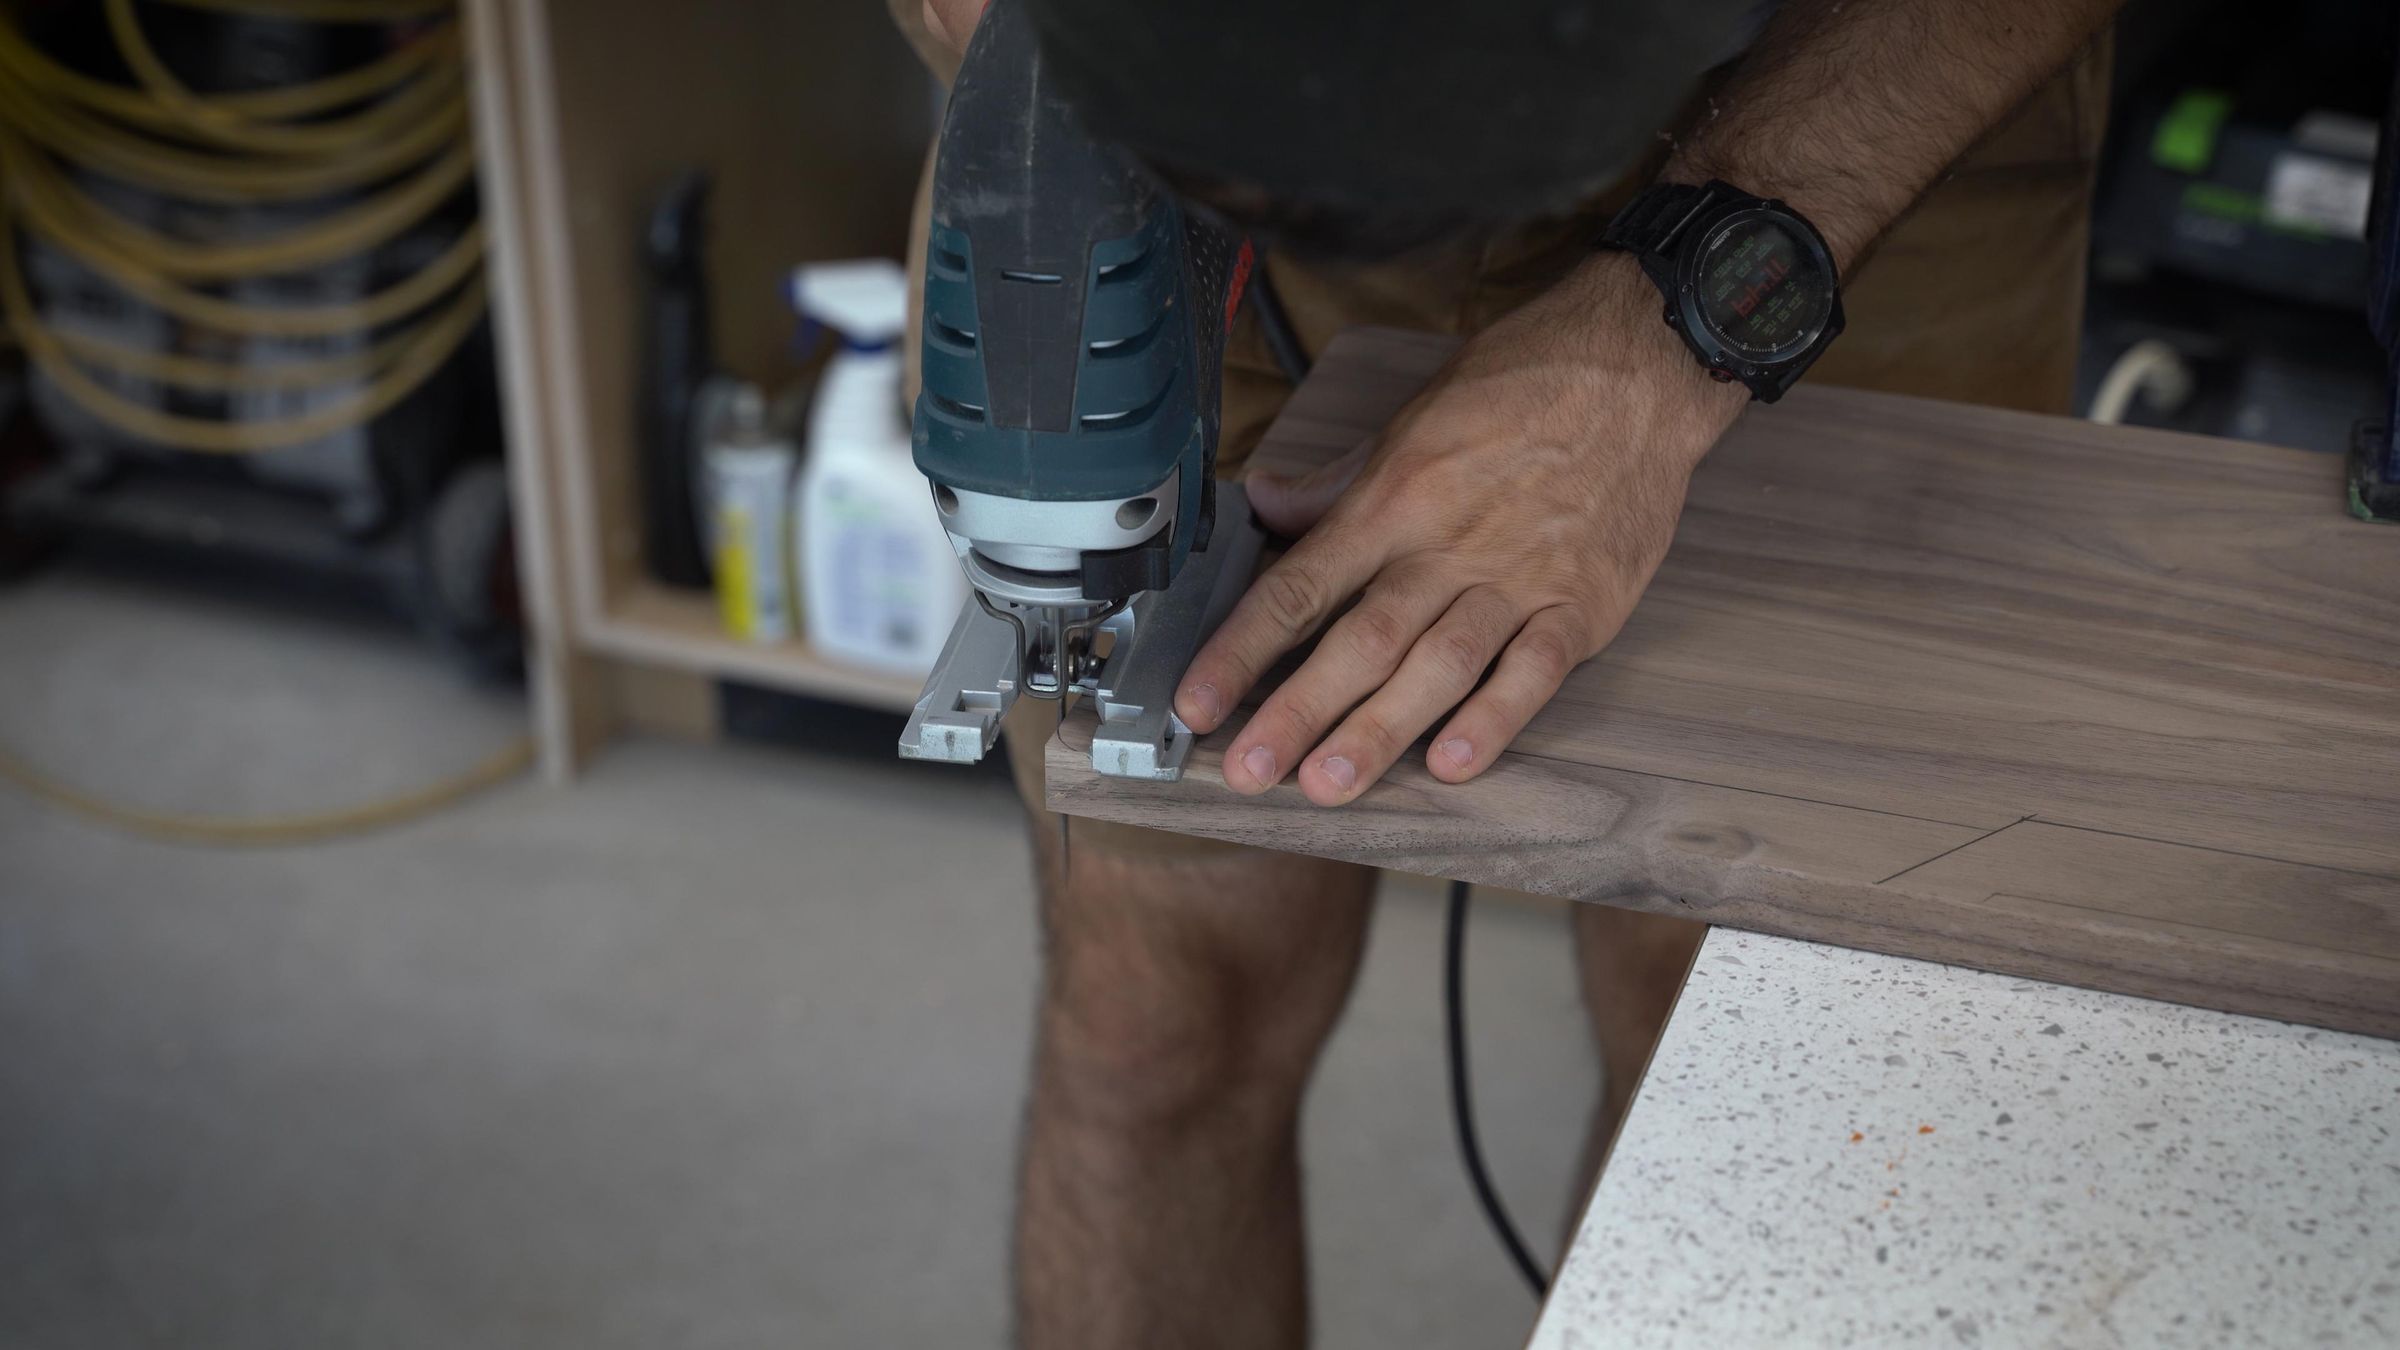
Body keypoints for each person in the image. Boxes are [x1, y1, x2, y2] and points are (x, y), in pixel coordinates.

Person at [889, 0, 2117, 1344]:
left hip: (1847, 94)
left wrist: (1675, 335)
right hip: (1158, 97)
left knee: (1731, 1044)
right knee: (1156, 1013)